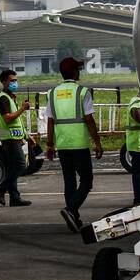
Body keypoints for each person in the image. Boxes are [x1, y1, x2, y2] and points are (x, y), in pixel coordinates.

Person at [45, 56, 103, 233]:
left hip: (63, 144)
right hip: (79, 144)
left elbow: (50, 121)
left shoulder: (52, 93)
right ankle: (71, 209)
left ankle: (74, 218)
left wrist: (50, 144)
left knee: (69, 182)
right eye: (78, 69)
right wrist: (97, 142)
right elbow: (89, 119)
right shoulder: (82, 92)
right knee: (86, 181)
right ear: (74, 72)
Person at [0, 68, 33, 206]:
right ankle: (0, 188)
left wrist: (27, 136)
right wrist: (22, 108)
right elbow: (8, 119)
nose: (15, 83)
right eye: (12, 81)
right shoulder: (3, 98)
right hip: (10, 140)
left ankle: (15, 198)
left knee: (13, 168)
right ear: (4, 82)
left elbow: (18, 122)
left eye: (16, 80)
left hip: (15, 138)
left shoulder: (11, 97)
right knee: (21, 166)